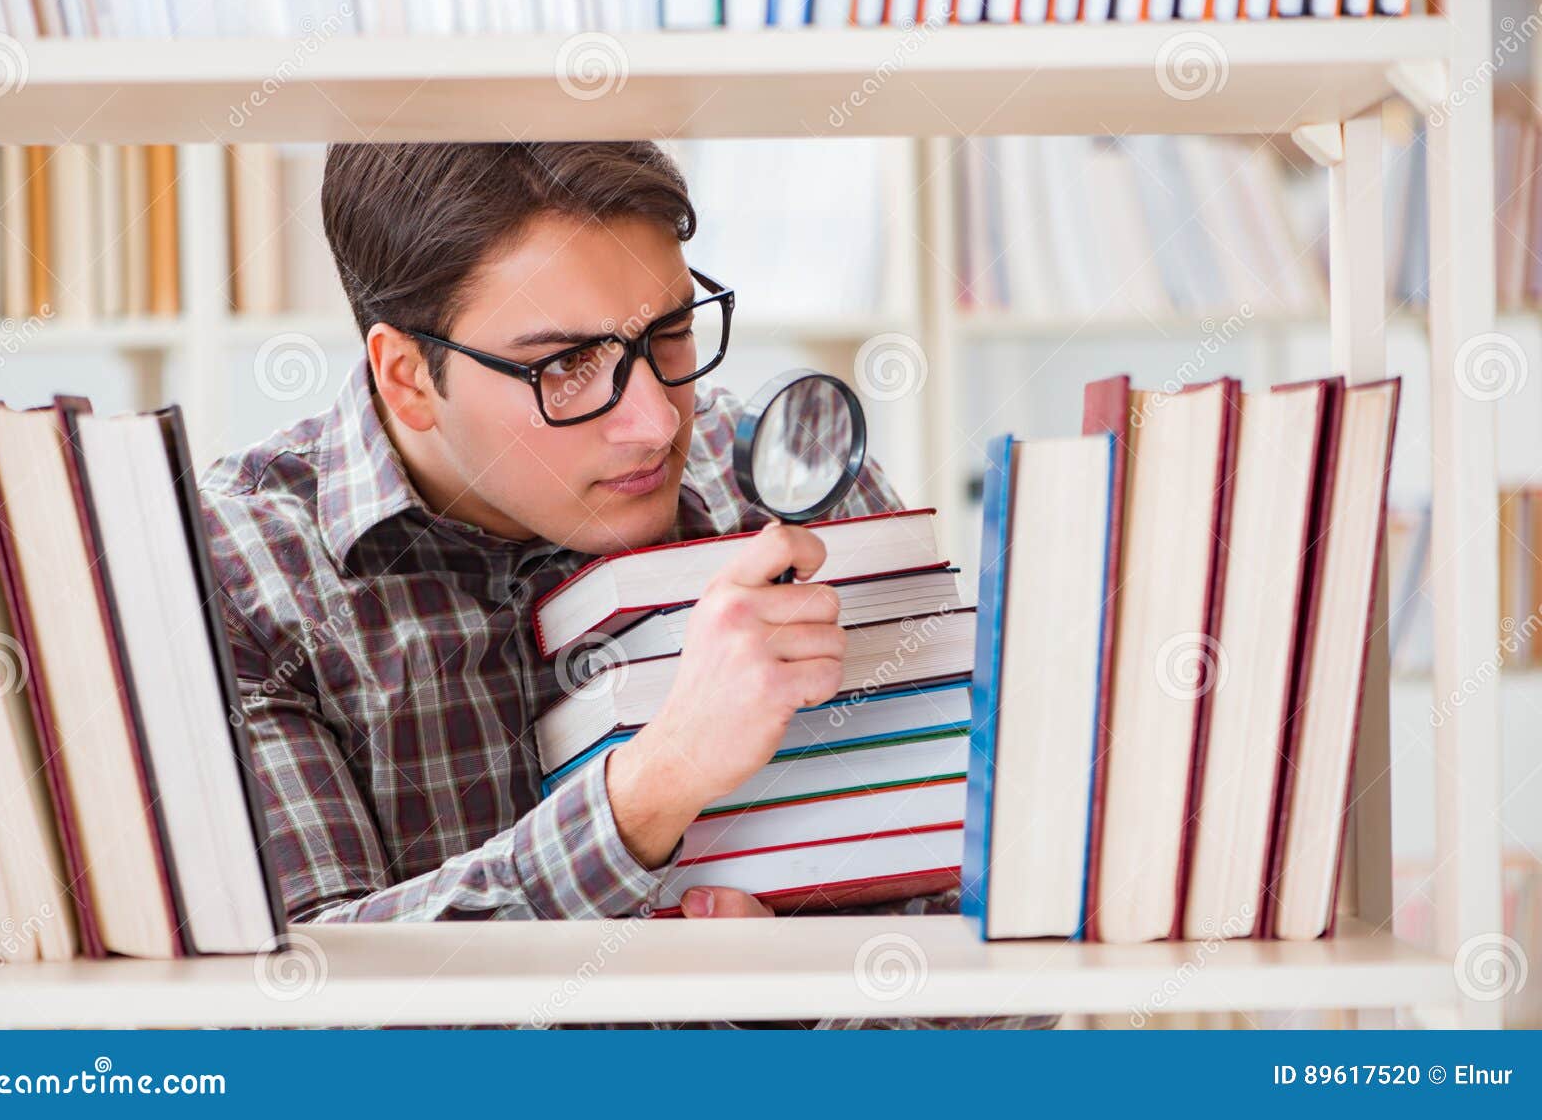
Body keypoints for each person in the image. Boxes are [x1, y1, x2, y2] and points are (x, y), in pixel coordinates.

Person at [200, 141, 1052, 1029]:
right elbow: (299, 1020)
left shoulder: (789, 491)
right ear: (409, 378)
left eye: (670, 333)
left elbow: (1013, 982)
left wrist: (805, 1013)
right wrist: (651, 787)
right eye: (565, 364)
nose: (654, 423)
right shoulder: (239, 570)